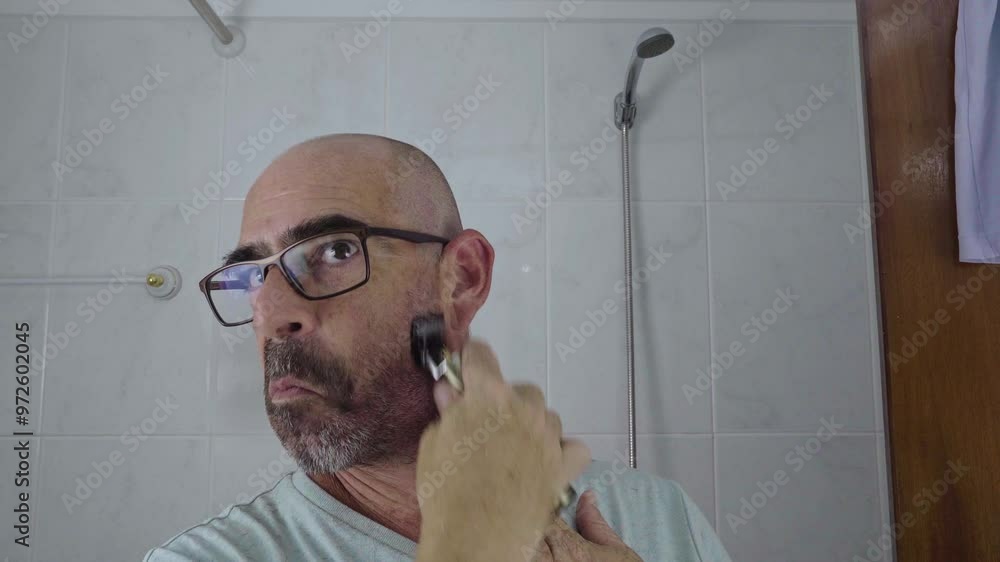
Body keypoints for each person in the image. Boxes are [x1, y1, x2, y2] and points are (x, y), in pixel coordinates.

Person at [144, 134, 732, 561]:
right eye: (251, 276)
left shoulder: (661, 520)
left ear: (463, 280)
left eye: (335, 251)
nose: (272, 315)